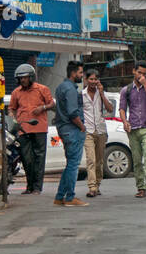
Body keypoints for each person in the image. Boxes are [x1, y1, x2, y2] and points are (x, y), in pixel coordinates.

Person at [8, 63, 54, 195]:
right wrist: (12, 116)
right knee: (26, 159)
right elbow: (11, 107)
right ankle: (29, 186)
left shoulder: (42, 89)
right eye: (20, 78)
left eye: (25, 77)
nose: (23, 80)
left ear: (31, 77)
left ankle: (37, 188)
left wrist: (43, 108)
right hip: (23, 129)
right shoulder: (16, 92)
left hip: (39, 128)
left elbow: (51, 103)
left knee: (39, 158)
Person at [120, 62, 146, 198]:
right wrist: (125, 122)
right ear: (134, 72)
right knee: (136, 160)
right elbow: (122, 109)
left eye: (144, 74)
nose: (141, 76)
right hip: (133, 129)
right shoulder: (126, 90)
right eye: (139, 73)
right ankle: (140, 187)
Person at [53, 61, 87, 207]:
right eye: (80, 73)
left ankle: (60, 196)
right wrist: (82, 127)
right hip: (72, 129)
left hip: (64, 128)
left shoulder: (61, 87)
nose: (82, 76)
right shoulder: (71, 89)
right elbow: (73, 113)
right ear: (73, 73)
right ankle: (70, 197)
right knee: (73, 165)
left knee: (70, 164)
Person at [82, 66, 113, 198]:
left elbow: (110, 109)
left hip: (100, 130)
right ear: (86, 80)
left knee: (100, 161)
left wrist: (101, 94)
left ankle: (98, 184)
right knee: (91, 159)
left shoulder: (101, 94)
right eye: (91, 79)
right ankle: (92, 187)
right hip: (87, 130)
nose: (94, 81)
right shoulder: (81, 95)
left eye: (96, 79)